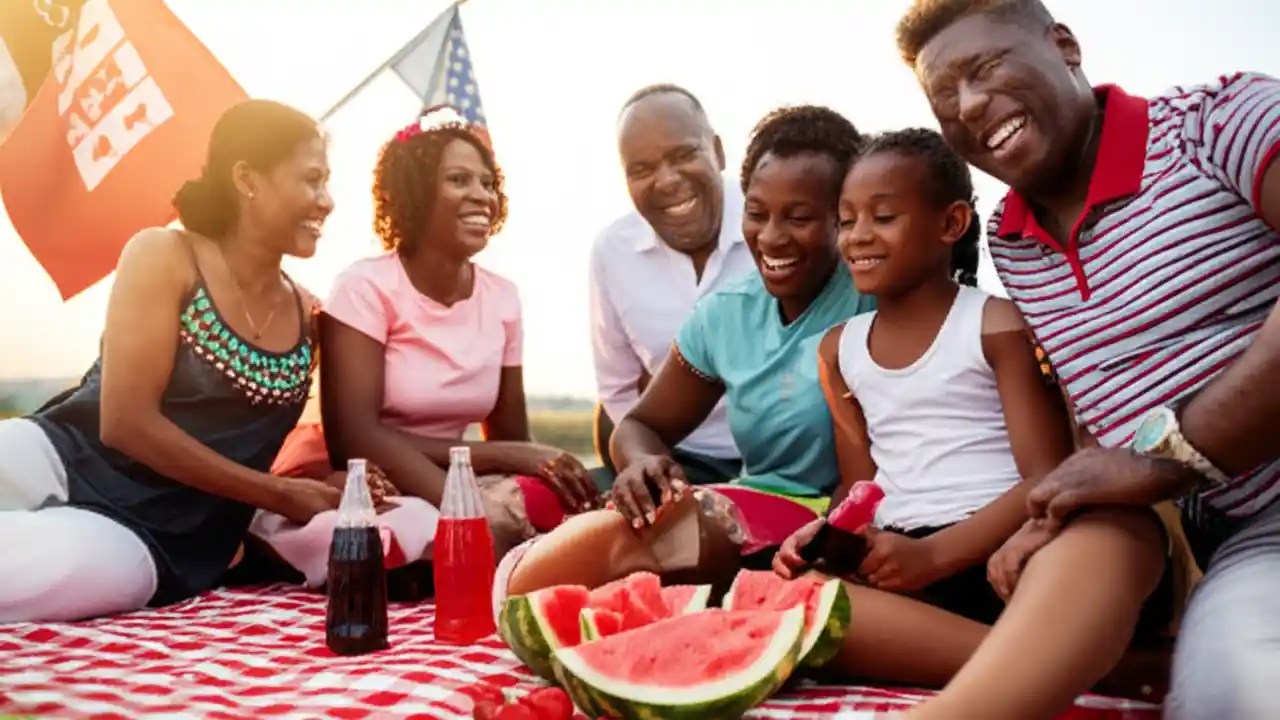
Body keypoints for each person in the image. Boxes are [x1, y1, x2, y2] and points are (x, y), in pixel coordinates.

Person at [897, 0, 1280, 717]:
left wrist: (1170, 455)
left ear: (1065, 45)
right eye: (944, 98)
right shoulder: (1014, 246)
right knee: (1236, 691)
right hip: (1252, 540)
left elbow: (1149, 452)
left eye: (984, 68)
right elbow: (1104, 422)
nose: (971, 105)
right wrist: (1056, 510)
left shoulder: (1221, 119)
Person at [500, 105, 876, 597]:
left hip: (837, 529)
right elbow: (638, 426)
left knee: (665, 547)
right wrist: (642, 464)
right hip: (751, 514)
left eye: (800, 218)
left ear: (843, 218)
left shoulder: (873, 295)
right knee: (550, 516)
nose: (771, 237)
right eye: (757, 214)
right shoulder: (726, 314)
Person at [0, 100, 346, 622]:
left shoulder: (312, 315)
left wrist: (337, 485)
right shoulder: (165, 254)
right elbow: (124, 423)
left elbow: (306, 443)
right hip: (60, 456)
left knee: (41, 566)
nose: (327, 201)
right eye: (312, 179)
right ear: (248, 179)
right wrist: (276, 494)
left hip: (155, 536)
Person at [310, 106, 597, 559]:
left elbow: (510, 438)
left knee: (560, 507)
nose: (481, 195)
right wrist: (466, 506)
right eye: (459, 180)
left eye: (487, 182)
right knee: (406, 531)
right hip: (380, 485)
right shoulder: (364, 288)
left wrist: (530, 471)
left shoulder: (503, 298)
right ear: (417, 190)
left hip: (462, 481)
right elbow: (355, 437)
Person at [587, 84, 754, 490]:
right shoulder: (612, 251)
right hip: (679, 458)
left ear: (717, 151)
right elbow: (618, 388)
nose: (667, 181)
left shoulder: (772, 221)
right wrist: (651, 465)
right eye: (641, 169)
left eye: (683, 155)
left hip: (783, 461)